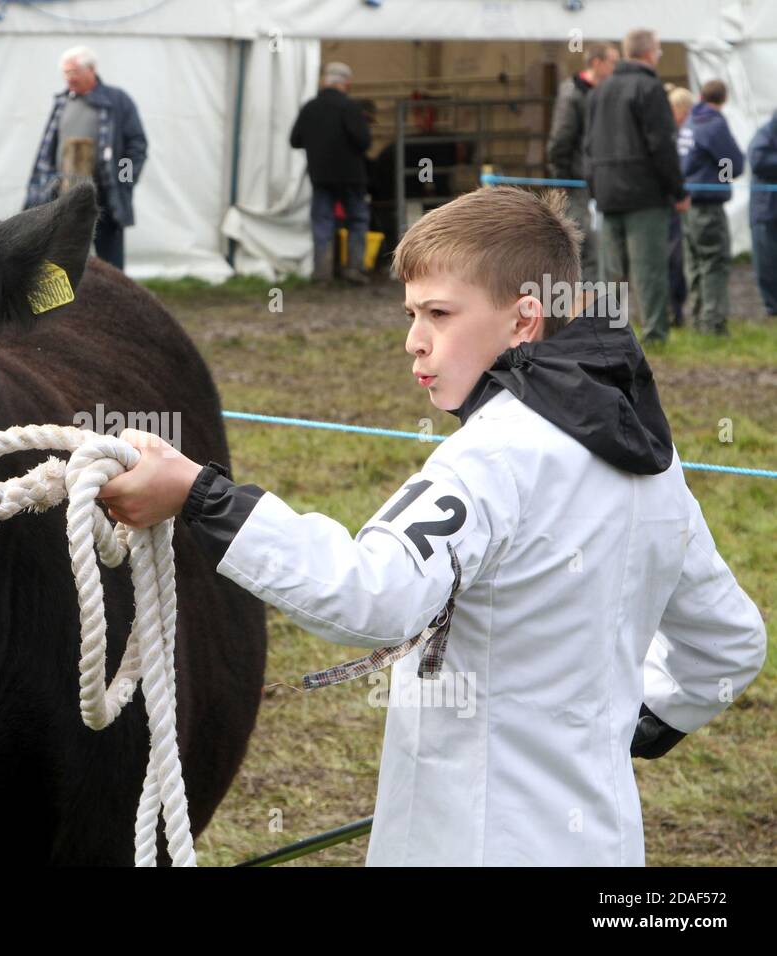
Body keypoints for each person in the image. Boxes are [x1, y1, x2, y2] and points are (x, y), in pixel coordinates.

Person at [97, 185, 767, 866]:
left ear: (523, 319)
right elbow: (728, 642)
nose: (413, 341)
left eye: (439, 314)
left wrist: (201, 495)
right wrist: (632, 724)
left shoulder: (494, 456)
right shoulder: (653, 455)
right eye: (411, 312)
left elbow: (371, 595)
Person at [585, 28, 688, 346]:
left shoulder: (599, 91)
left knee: (612, 273)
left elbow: (588, 145)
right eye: (658, 51)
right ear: (648, 54)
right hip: (644, 194)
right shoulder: (649, 87)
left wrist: (595, 188)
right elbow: (662, 144)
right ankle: (655, 334)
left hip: (607, 192)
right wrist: (678, 190)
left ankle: (610, 335)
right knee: (648, 270)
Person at [24, 46, 147, 270]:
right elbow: (48, 150)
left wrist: (124, 182)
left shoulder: (118, 101)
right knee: (62, 262)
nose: (68, 78)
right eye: (65, 73)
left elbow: (136, 145)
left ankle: (112, 304)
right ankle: (70, 305)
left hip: (106, 199)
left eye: (73, 72)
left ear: (91, 70)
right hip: (66, 199)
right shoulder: (62, 103)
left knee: (110, 267)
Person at [289, 62, 372, 285]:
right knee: (357, 220)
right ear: (346, 83)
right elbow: (363, 141)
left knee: (322, 221)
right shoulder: (350, 107)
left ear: (324, 81)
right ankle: (354, 268)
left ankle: (322, 273)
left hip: (321, 176)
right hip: (351, 176)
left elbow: (295, 140)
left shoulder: (310, 108)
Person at [546, 40, 619, 282]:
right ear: (596, 63)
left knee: (606, 250)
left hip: (603, 182)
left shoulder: (607, 92)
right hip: (578, 182)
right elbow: (561, 140)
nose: (615, 68)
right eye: (612, 62)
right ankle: (584, 311)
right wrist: (563, 184)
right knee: (584, 246)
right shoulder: (573, 93)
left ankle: (604, 307)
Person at [678, 80, 745, 336]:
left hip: (688, 203)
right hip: (708, 204)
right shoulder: (713, 124)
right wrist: (725, 174)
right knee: (714, 262)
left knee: (694, 263)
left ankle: (696, 318)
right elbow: (734, 164)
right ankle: (713, 324)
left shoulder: (689, 123)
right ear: (724, 99)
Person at [667, 84, 695, 326]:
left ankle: (677, 308)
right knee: (675, 257)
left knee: (676, 258)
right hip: (673, 204)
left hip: (674, 205)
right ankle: (675, 309)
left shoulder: (680, 134)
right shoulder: (676, 134)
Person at [748, 109, 777, 316]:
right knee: (767, 261)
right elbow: (757, 160)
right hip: (765, 209)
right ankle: (772, 306)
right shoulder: (766, 134)